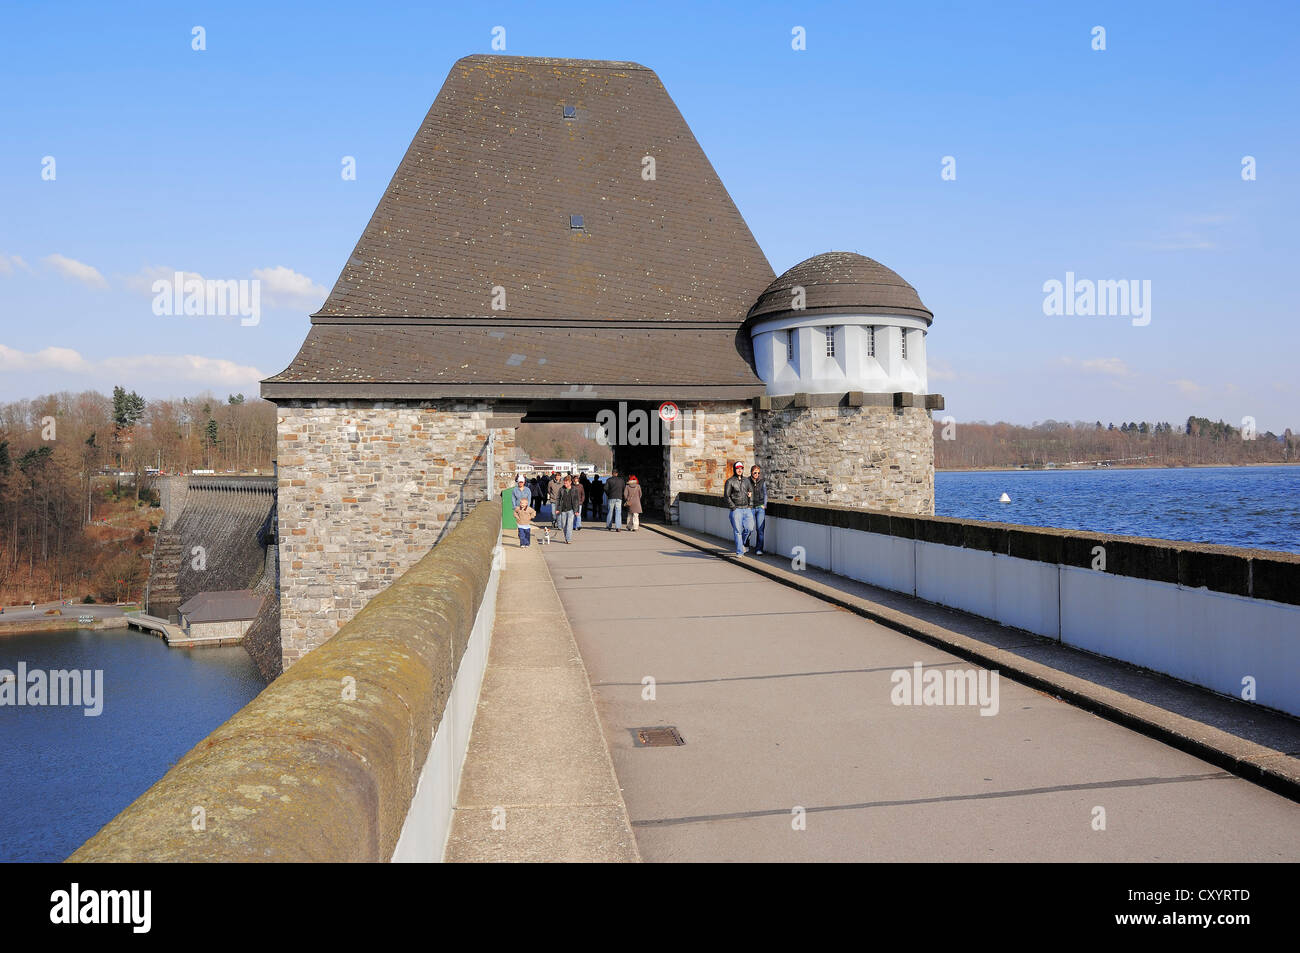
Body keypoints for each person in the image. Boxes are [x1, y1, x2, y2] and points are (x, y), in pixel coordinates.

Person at [723, 460, 754, 556]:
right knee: (738, 531)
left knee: (750, 528)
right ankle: (740, 551)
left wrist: (750, 505)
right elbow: (726, 496)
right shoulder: (730, 481)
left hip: (747, 509)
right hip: (736, 510)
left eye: (741, 468)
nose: (739, 470)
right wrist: (733, 507)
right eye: (738, 468)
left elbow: (751, 492)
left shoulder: (747, 481)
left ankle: (742, 544)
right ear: (734, 469)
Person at [749, 464, 767, 555]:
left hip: (760, 508)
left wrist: (765, 505)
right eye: (755, 472)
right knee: (749, 528)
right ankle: (745, 545)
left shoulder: (762, 481)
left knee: (760, 529)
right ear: (751, 472)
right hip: (751, 507)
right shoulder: (747, 481)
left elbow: (765, 494)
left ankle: (759, 549)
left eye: (758, 473)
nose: (757, 474)